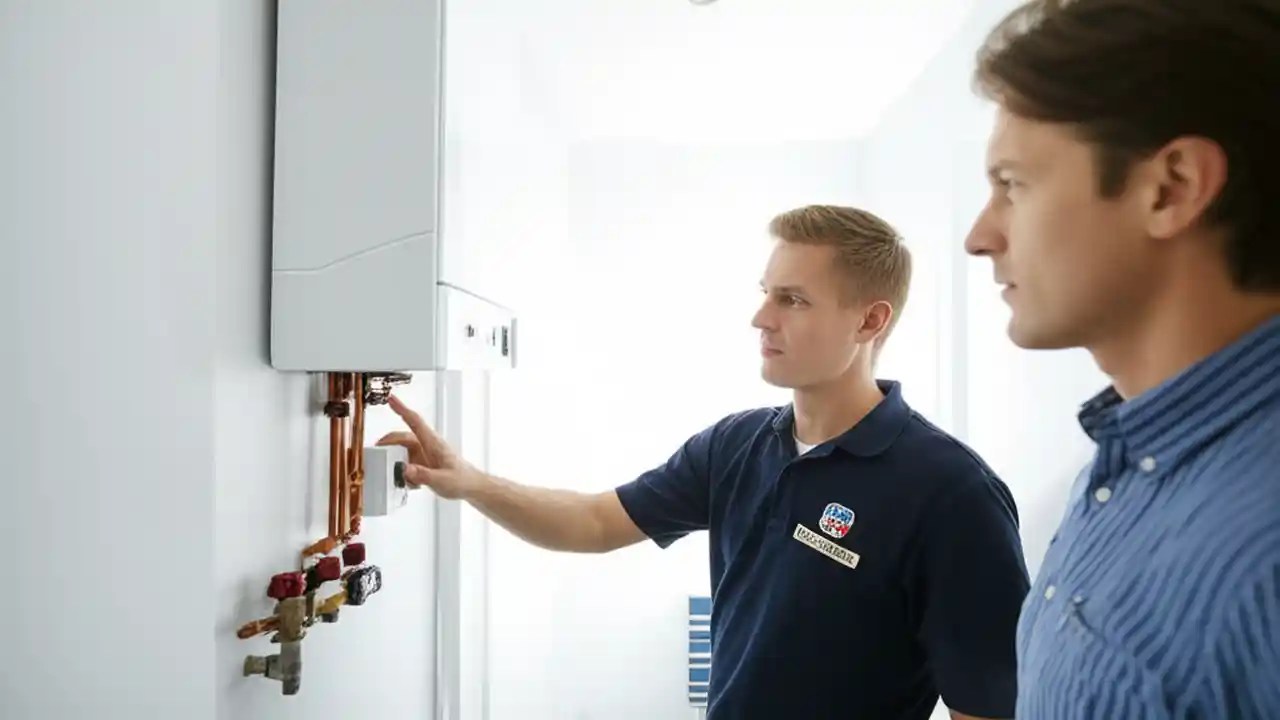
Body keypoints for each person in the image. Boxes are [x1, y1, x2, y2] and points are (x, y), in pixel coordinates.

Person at [381, 205, 1030, 720]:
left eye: (793, 300)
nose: (760, 318)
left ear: (870, 321)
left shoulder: (950, 493)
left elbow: (986, 709)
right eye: (765, 293)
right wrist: (467, 481)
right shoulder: (736, 446)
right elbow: (594, 522)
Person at [965, 1, 1280, 718]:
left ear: (1171, 188)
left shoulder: (1265, 540)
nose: (980, 237)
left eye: (1012, 185)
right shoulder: (1121, 467)